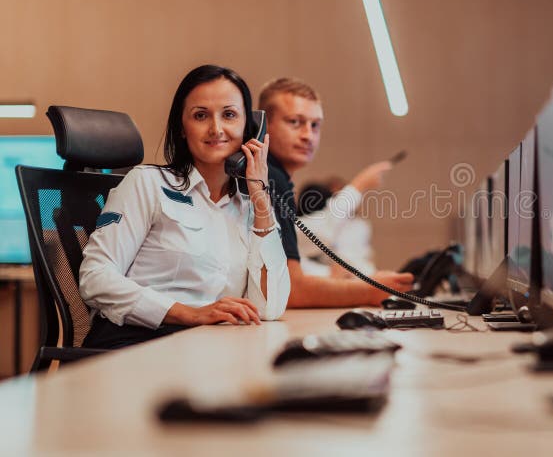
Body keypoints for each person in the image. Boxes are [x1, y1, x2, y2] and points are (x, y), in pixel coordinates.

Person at [79, 65, 290, 349]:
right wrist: (188, 313)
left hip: (206, 347)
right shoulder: (148, 184)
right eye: (200, 115)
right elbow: (95, 278)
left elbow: (270, 309)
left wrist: (261, 198)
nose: (216, 129)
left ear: (249, 129)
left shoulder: (250, 207)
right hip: (139, 344)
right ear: (182, 127)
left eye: (229, 115)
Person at [258, 77, 413, 307]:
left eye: (315, 125)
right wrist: (369, 290)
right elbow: (286, 289)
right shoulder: (268, 178)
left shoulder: (275, 179)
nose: (307, 135)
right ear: (261, 125)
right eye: (294, 122)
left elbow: (285, 272)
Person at [296, 163, 390, 278]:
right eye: (334, 199)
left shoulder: (358, 225)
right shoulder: (305, 228)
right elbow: (326, 226)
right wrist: (360, 184)